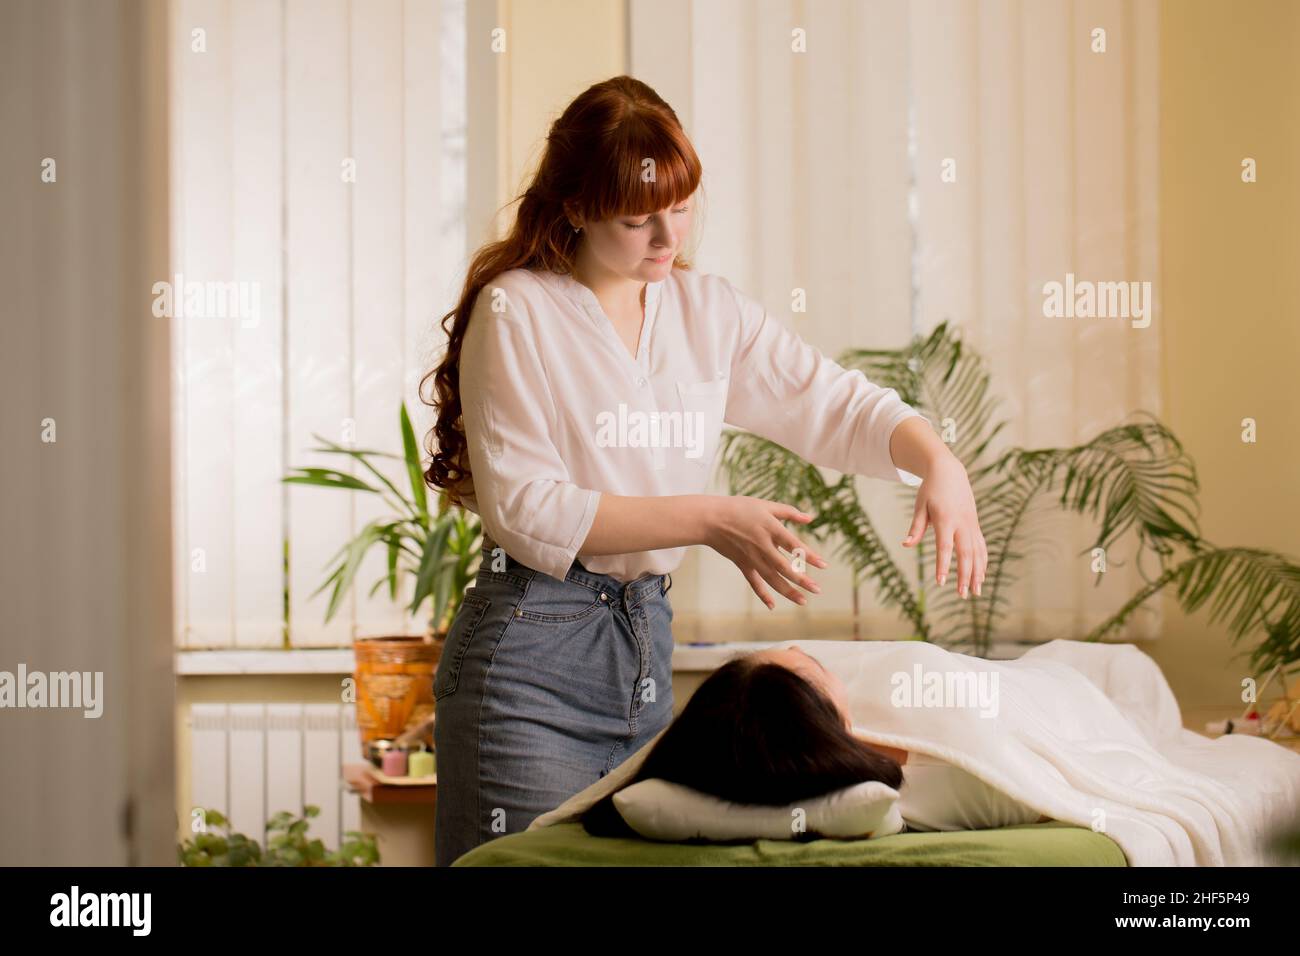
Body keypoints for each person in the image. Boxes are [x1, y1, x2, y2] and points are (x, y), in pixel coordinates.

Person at [421, 75, 989, 866]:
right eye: (637, 218)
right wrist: (712, 519)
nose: (667, 238)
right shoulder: (519, 311)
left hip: (645, 647)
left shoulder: (706, 311)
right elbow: (528, 509)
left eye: (680, 207)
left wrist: (937, 458)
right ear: (577, 207)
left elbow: (832, 404)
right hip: (528, 661)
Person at [579, 645, 1050, 838]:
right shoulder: (948, 777)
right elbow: (1025, 778)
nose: (811, 654)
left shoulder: (726, 749)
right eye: (812, 665)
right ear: (819, 718)